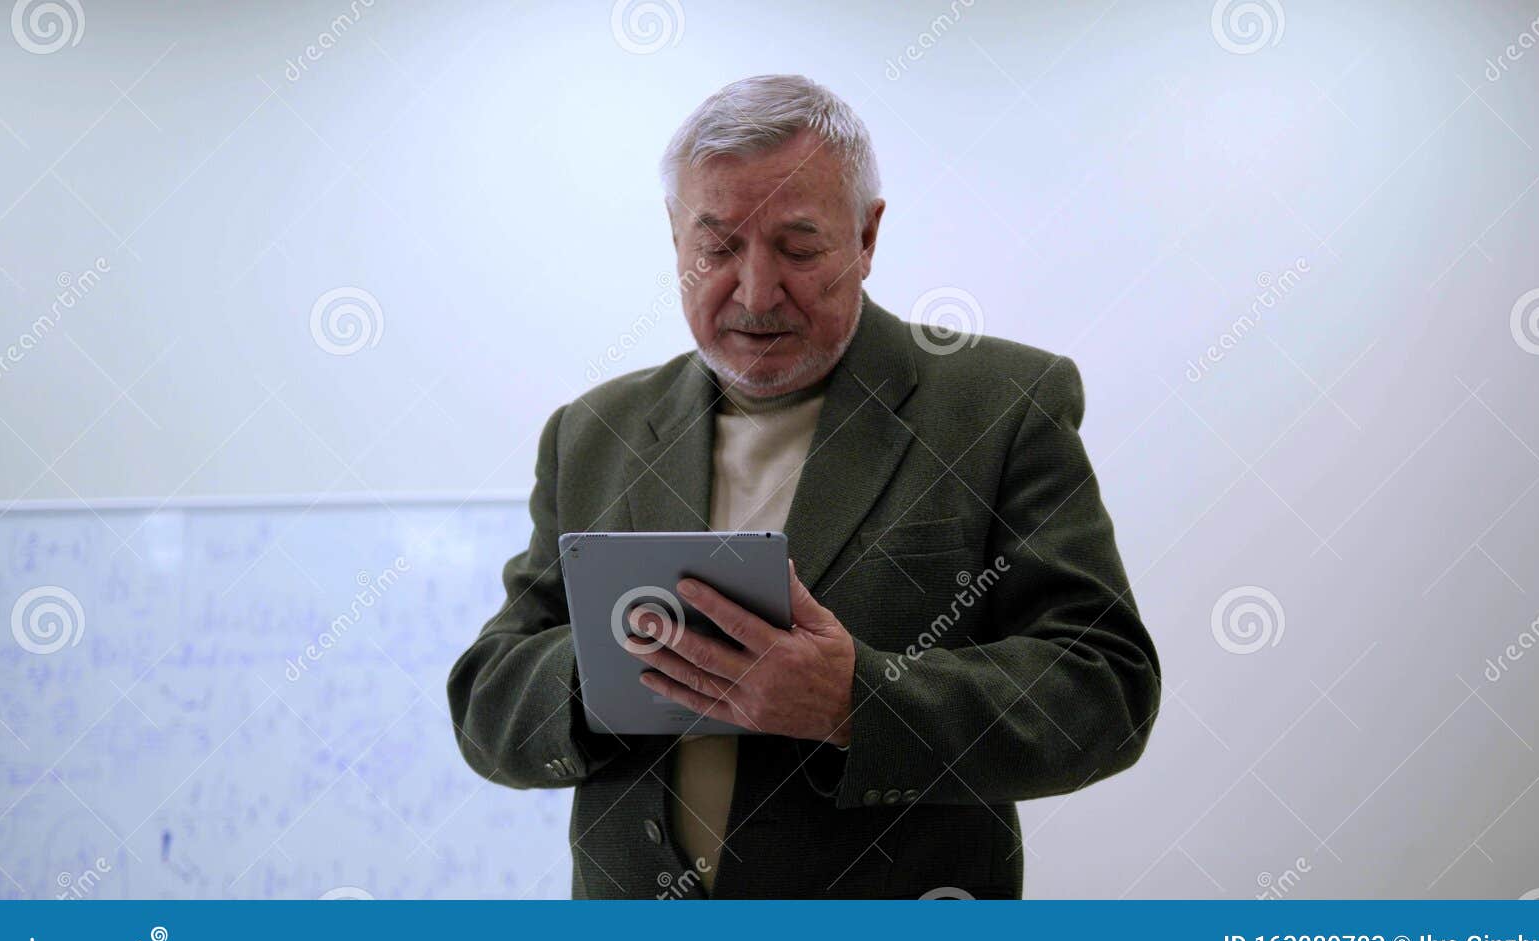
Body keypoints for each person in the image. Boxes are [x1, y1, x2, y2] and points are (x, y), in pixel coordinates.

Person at [447, 74, 1160, 899]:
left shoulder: (1000, 406)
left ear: (867, 236)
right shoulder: (594, 431)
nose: (756, 292)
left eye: (798, 248)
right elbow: (487, 699)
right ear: (675, 238)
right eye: (718, 248)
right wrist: (603, 674)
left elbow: (1105, 688)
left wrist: (853, 702)